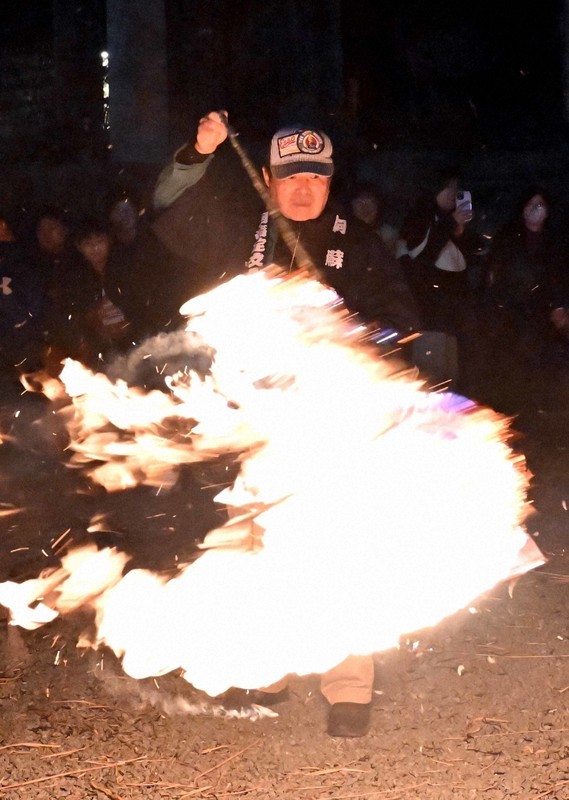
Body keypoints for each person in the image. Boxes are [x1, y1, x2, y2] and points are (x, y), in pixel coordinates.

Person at [150, 111, 421, 737]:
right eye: (292, 176)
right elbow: (167, 209)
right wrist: (198, 153)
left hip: (337, 420)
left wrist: (352, 340)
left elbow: (401, 320)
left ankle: (348, 686)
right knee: (256, 542)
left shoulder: (360, 243)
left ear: (330, 182)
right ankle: (266, 670)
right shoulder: (239, 229)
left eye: (316, 178)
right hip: (256, 420)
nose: (303, 189)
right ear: (269, 178)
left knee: (341, 548)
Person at [44, 218, 132, 373]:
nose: (95, 248)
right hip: (103, 347)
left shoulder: (125, 269)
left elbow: (141, 305)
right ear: (79, 247)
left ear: (109, 241)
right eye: (88, 244)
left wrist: (128, 324)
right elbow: (76, 317)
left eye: (100, 241)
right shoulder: (78, 279)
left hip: (134, 338)